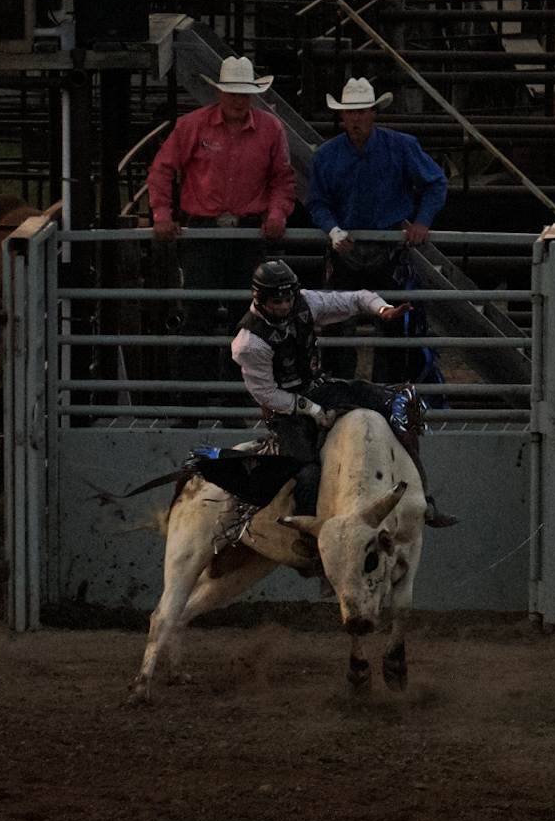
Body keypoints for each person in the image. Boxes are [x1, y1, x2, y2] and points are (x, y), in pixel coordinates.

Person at [230, 260, 454, 526]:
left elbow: (356, 298)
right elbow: (265, 393)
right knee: (308, 474)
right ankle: (309, 534)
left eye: (289, 298)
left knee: (400, 403)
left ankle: (422, 498)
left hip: (318, 387)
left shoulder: (306, 303)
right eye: (277, 301)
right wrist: (309, 409)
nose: (286, 306)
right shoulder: (249, 343)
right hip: (287, 410)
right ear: (261, 300)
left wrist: (381, 309)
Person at [146, 56, 296, 409]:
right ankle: (193, 403)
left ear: (251, 96)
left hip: (244, 232)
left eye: (243, 94)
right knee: (199, 315)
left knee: (244, 320)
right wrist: (162, 214)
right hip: (206, 233)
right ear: (220, 93)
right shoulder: (193, 126)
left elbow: (283, 180)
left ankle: (232, 402)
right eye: (232, 93)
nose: (238, 100)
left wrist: (276, 213)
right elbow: (162, 169)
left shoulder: (269, 129)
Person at [308, 77, 447, 383]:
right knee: (340, 330)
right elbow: (318, 204)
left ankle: (385, 395)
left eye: (362, 111)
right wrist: (332, 230)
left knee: (392, 329)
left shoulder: (400, 147)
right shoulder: (328, 156)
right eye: (351, 113)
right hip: (354, 246)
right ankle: (342, 393)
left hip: (386, 247)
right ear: (343, 116)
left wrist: (423, 221)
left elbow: (436, 183)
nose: (356, 118)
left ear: (373, 113)